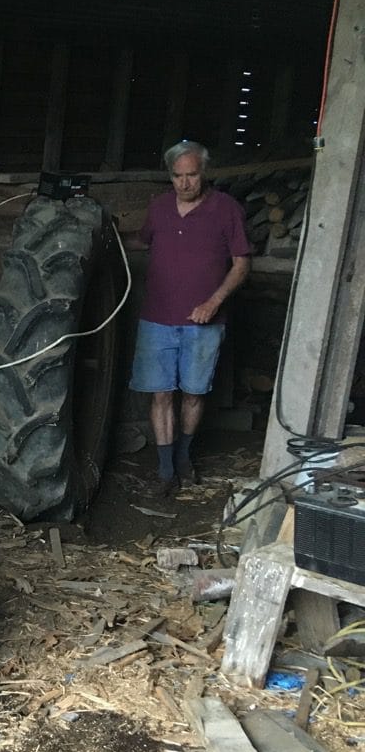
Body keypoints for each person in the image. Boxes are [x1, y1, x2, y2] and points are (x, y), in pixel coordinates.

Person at [128, 141, 251, 495]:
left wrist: (213, 302)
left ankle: (184, 457)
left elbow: (242, 263)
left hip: (204, 321)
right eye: (178, 176)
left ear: (204, 172)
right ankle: (166, 471)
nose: (185, 183)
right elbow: (142, 243)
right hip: (157, 317)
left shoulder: (226, 209)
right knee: (161, 394)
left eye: (192, 175)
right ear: (171, 176)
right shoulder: (159, 208)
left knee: (194, 394)